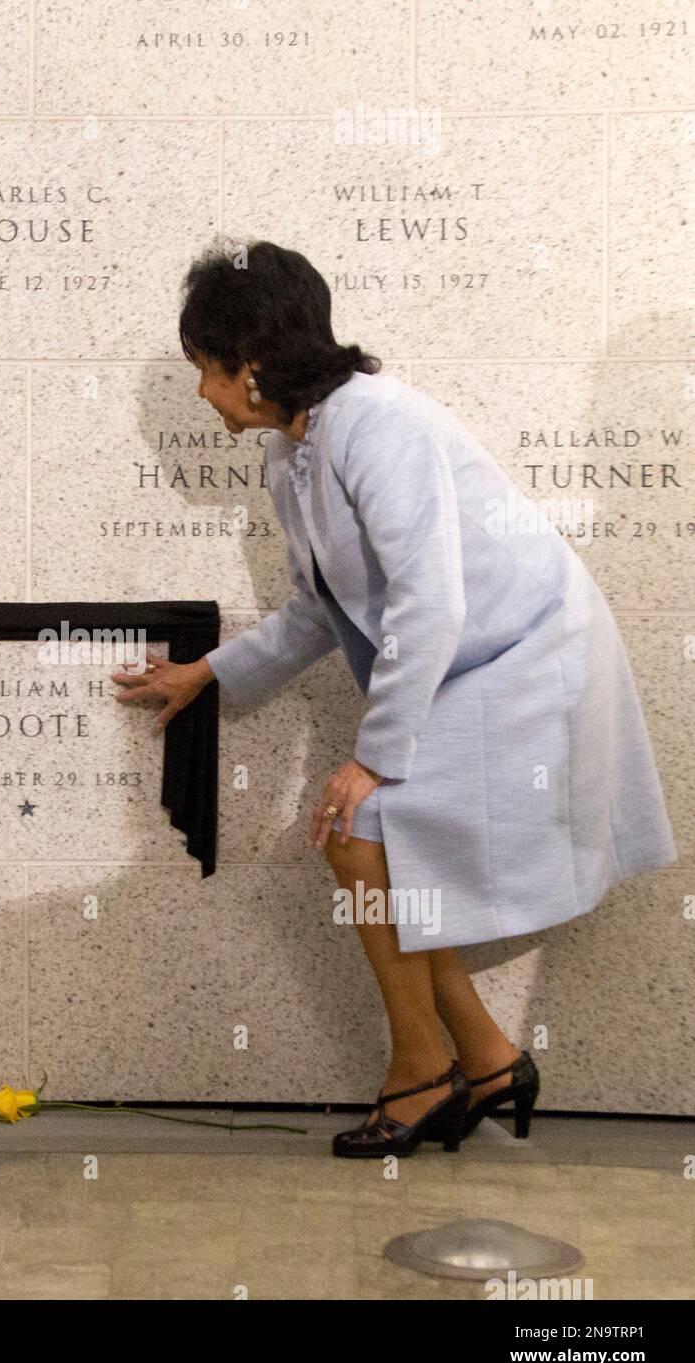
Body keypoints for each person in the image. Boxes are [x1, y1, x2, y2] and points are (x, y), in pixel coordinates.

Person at [111, 240, 677, 1158]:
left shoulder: (377, 425)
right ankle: (485, 1058)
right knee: (365, 842)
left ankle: (422, 1070)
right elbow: (318, 611)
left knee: (355, 831)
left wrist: (373, 757)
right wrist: (208, 674)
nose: (201, 393)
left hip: (526, 657)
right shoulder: (292, 455)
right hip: (468, 661)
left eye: (205, 372)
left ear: (250, 369)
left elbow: (430, 597)